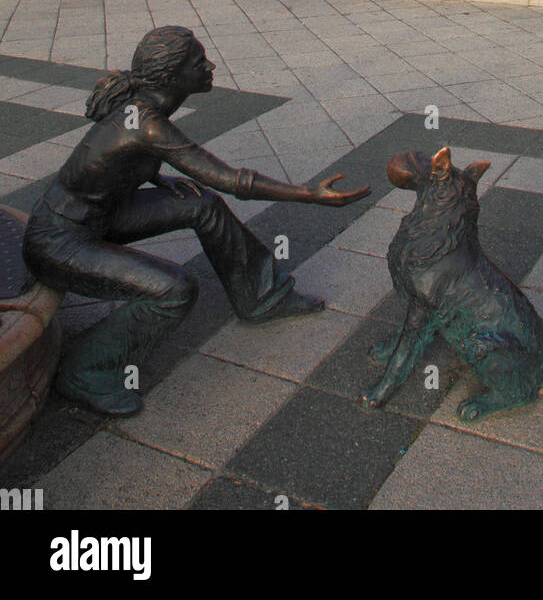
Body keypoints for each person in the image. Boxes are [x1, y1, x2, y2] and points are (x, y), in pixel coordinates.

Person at [22, 26, 369, 416]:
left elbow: (118, 161)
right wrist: (308, 194)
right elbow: (233, 180)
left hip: (101, 216)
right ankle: (86, 370)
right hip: (59, 241)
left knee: (203, 204)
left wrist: (160, 178)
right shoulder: (148, 123)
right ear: (172, 78)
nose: (209, 66)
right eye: (198, 62)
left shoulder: (142, 109)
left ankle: (261, 296)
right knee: (174, 288)